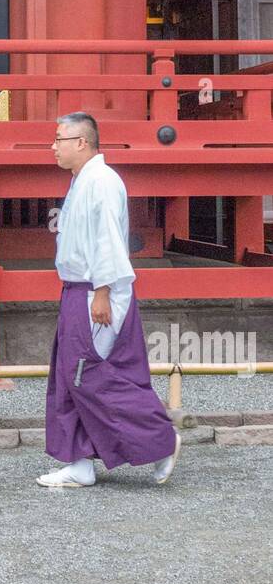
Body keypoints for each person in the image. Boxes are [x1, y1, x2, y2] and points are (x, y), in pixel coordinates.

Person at [36, 112, 181, 488]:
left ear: (81, 142)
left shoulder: (100, 182)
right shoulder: (85, 181)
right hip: (78, 290)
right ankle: (79, 461)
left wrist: (102, 291)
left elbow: (107, 241)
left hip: (94, 293)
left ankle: (160, 441)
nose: (53, 147)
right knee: (72, 377)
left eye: (59, 140)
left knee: (93, 376)